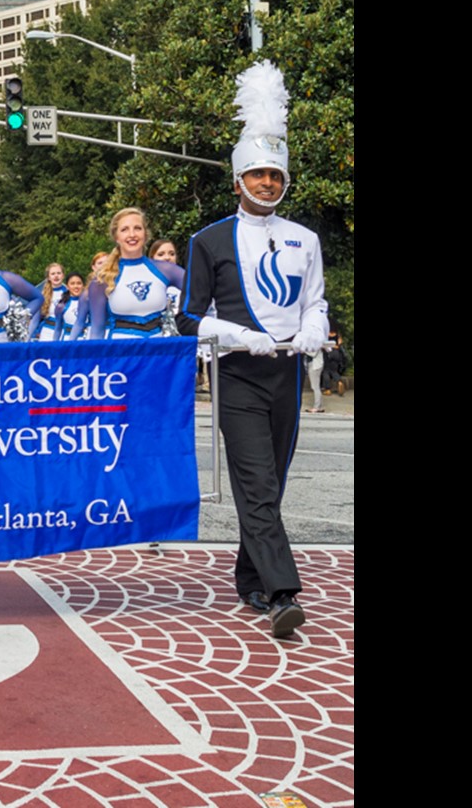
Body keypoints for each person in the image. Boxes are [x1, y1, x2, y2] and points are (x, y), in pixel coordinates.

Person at [177, 61, 328, 641]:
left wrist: (314, 328)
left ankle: (250, 576)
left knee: (273, 482)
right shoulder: (207, 240)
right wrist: (239, 335)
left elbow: (315, 301)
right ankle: (283, 594)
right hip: (238, 376)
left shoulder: (306, 238)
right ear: (238, 180)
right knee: (257, 482)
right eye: (257, 174)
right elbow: (190, 316)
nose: (267, 182)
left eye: (274, 174)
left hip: (288, 374)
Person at [86, 208, 186, 341]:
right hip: (121, 356)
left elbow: (201, 290)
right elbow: (97, 332)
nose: (132, 234)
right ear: (116, 237)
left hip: (159, 354)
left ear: (145, 234)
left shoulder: (167, 270)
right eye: (124, 229)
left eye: (137, 228)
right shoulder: (102, 279)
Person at [35, 261, 69, 341]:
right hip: (47, 332)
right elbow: (37, 318)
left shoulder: (69, 293)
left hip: (64, 332)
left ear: (63, 275)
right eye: (53, 274)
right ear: (48, 277)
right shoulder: (43, 295)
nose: (56, 276)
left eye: (58, 273)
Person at [58, 271, 89, 339]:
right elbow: (58, 329)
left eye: (79, 283)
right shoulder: (61, 305)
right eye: (72, 283)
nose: (76, 286)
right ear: (67, 286)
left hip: (86, 339)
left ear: (83, 285)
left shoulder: (90, 303)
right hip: (68, 339)